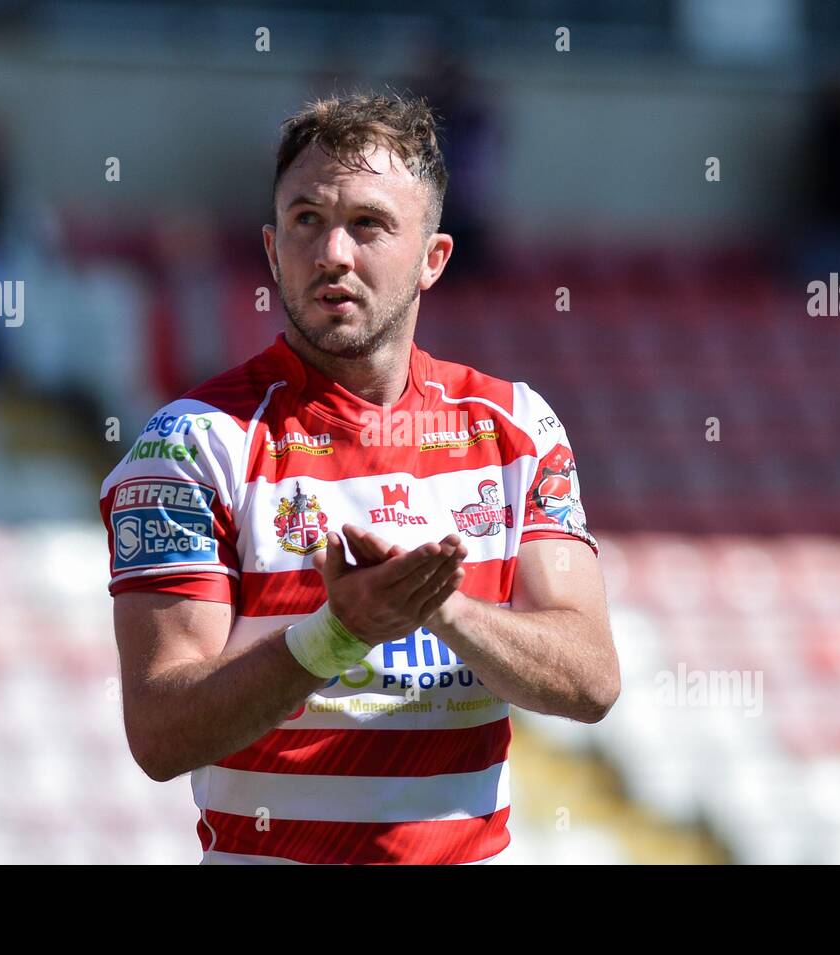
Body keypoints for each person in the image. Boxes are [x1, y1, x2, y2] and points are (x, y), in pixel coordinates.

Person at [99, 91, 619, 864]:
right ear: (274, 251)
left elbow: (590, 678)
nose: (333, 252)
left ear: (432, 258)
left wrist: (440, 608)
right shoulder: (191, 443)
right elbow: (160, 733)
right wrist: (336, 634)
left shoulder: (515, 429)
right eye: (307, 219)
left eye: (368, 224)